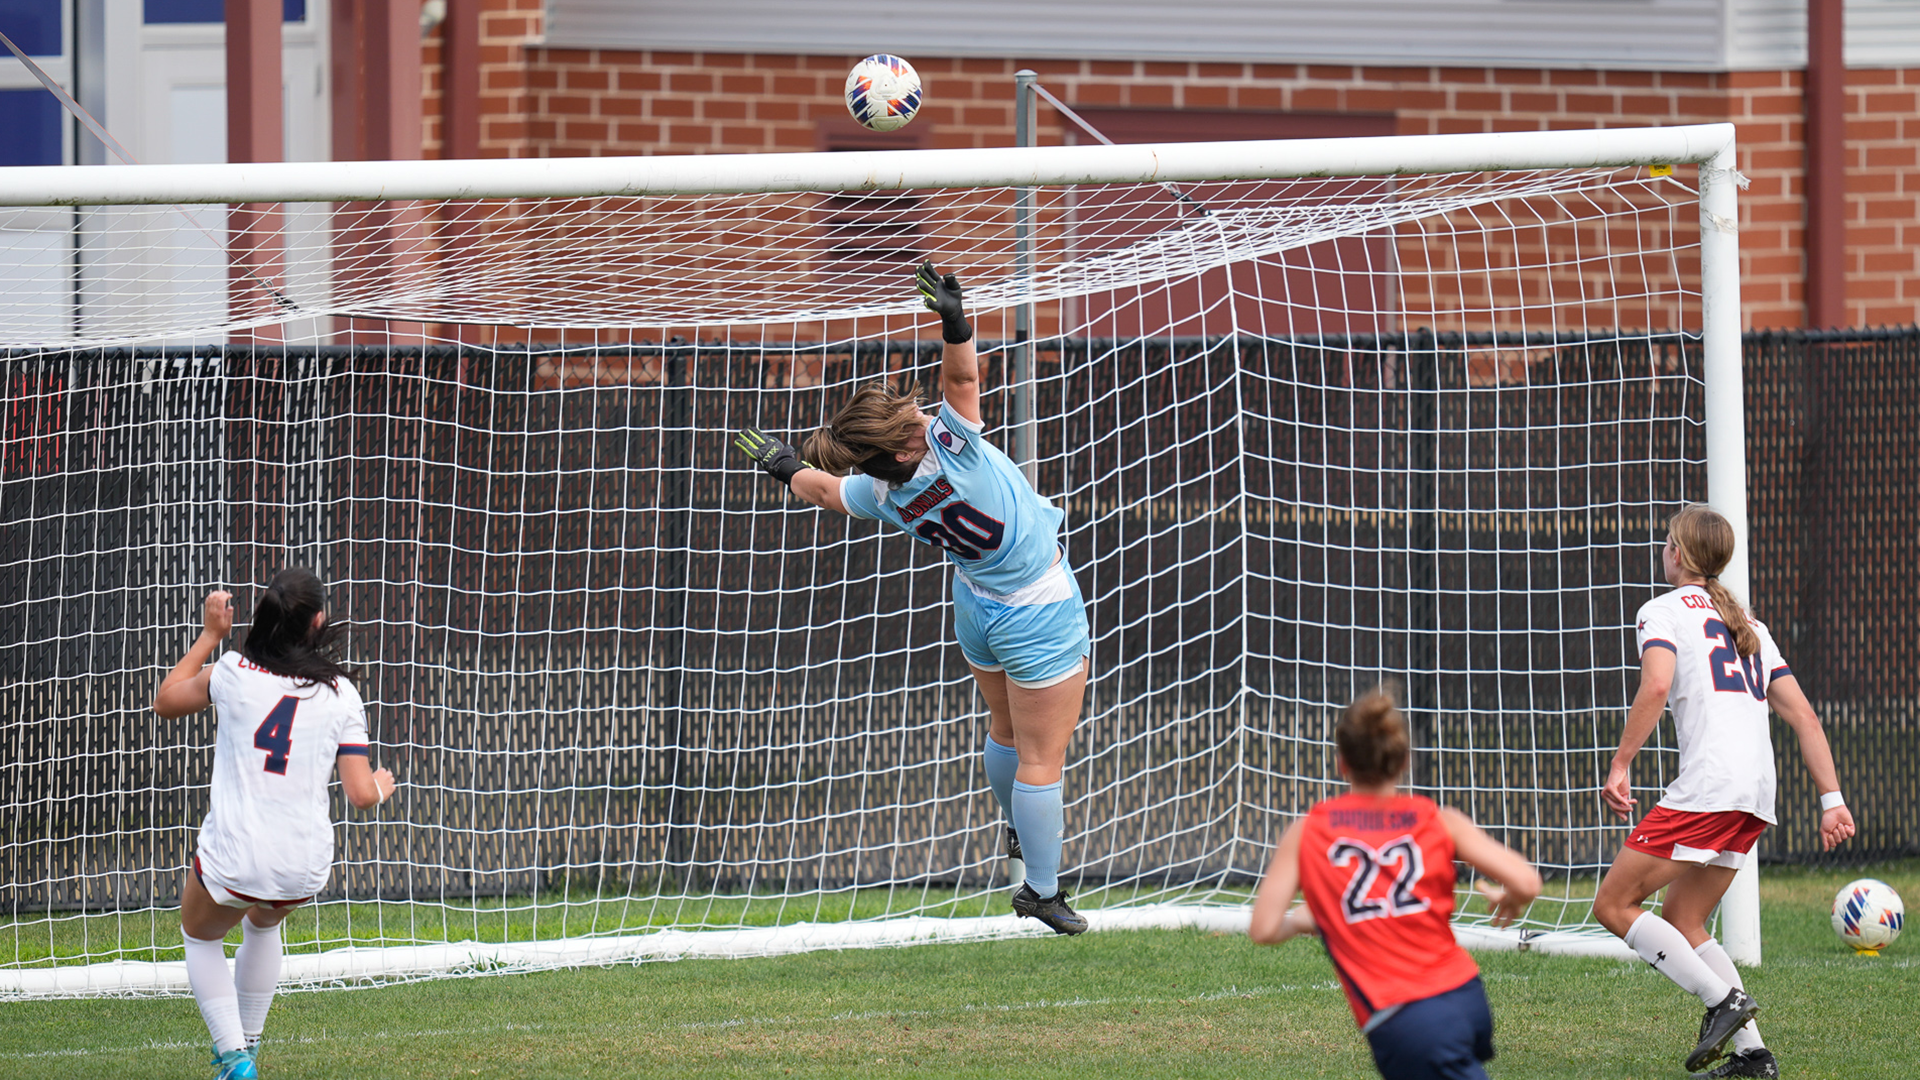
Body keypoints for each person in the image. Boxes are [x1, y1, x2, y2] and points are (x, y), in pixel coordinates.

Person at [735, 262, 1091, 935]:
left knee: (1007, 732)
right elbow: (963, 377)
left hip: (977, 611)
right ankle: (1041, 890)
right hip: (1037, 605)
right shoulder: (949, 447)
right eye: (911, 415)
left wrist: (781, 463)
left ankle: (1018, 828)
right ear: (905, 442)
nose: (924, 411)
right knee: (1044, 755)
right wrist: (955, 321)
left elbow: (822, 490)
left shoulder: (881, 493)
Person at [1593, 504, 1855, 1079]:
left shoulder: (1661, 610)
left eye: (1666, 543)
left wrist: (1621, 763)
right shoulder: (1750, 626)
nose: (1663, 551)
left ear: (1678, 556)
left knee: (1612, 905)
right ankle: (1753, 1057)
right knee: (1685, 917)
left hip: (1710, 787)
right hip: (1757, 793)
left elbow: (1656, 683)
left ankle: (1723, 1001)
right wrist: (1831, 799)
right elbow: (1806, 718)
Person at [154, 568, 396, 1080]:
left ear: (263, 617)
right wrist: (382, 783)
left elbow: (166, 699)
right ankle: (248, 1052)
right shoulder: (340, 694)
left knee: (200, 937)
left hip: (237, 856)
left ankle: (235, 1057)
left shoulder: (233, 671)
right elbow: (360, 794)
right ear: (318, 622)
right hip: (301, 866)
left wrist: (210, 635)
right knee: (262, 923)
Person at [1250, 689, 1542, 1080]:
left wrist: (1310, 919)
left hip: (1406, 1018)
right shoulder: (1439, 819)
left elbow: (1264, 928)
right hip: (1465, 995)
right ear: (1404, 761)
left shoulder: (1308, 831)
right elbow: (1527, 881)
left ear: (1341, 763)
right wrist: (1509, 898)